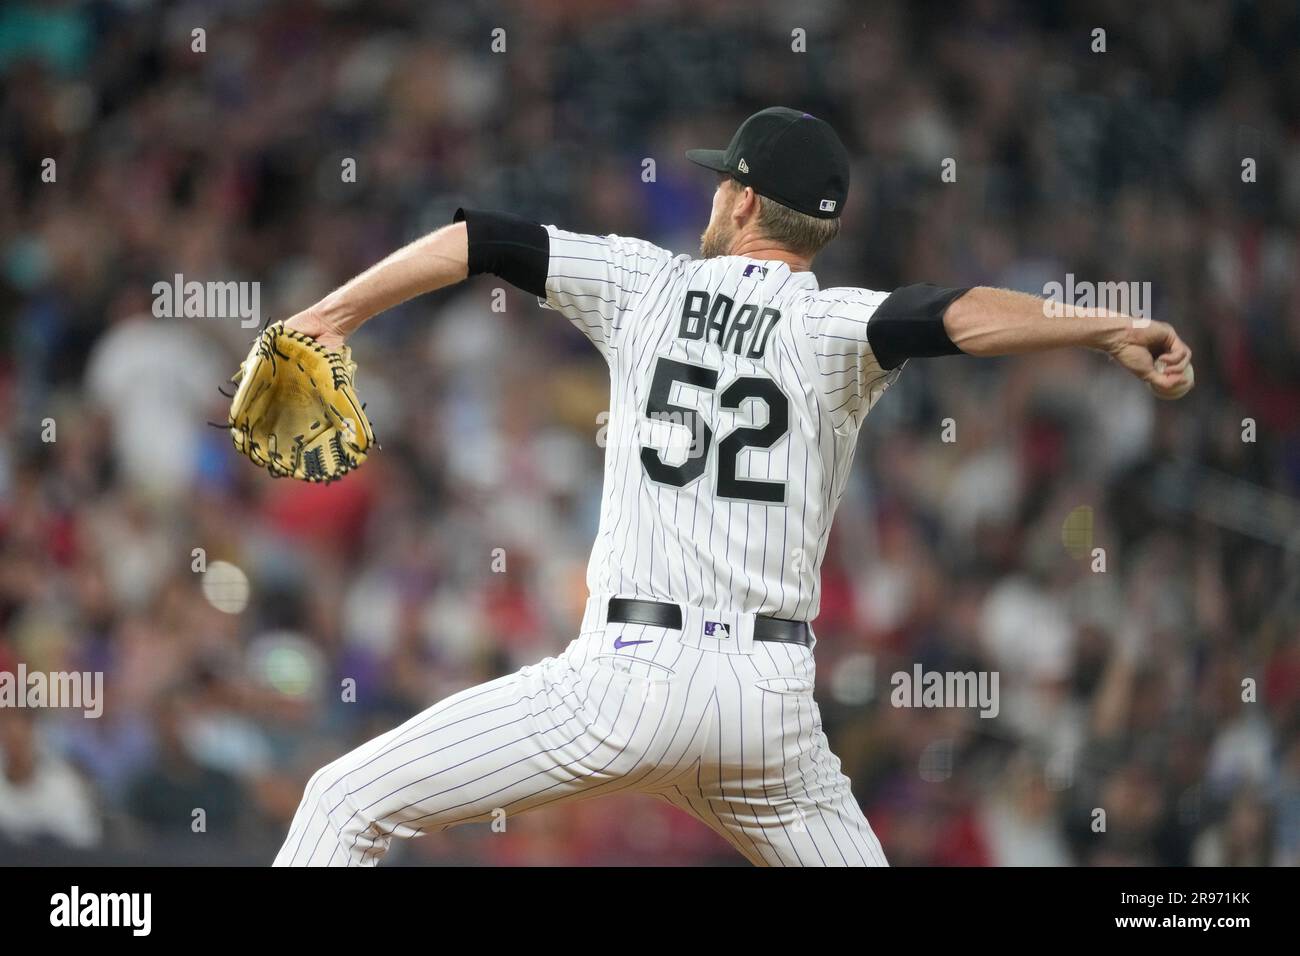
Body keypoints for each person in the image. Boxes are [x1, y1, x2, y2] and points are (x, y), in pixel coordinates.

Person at [272, 107, 1192, 866]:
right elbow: (953, 314)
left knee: (343, 803)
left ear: (745, 199)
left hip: (627, 680)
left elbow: (482, 240)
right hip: (768, 709)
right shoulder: (836, 327)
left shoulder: (645, 284)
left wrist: (334, 314)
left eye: (724, 179)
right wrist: (1103, 328)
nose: (716, 191)